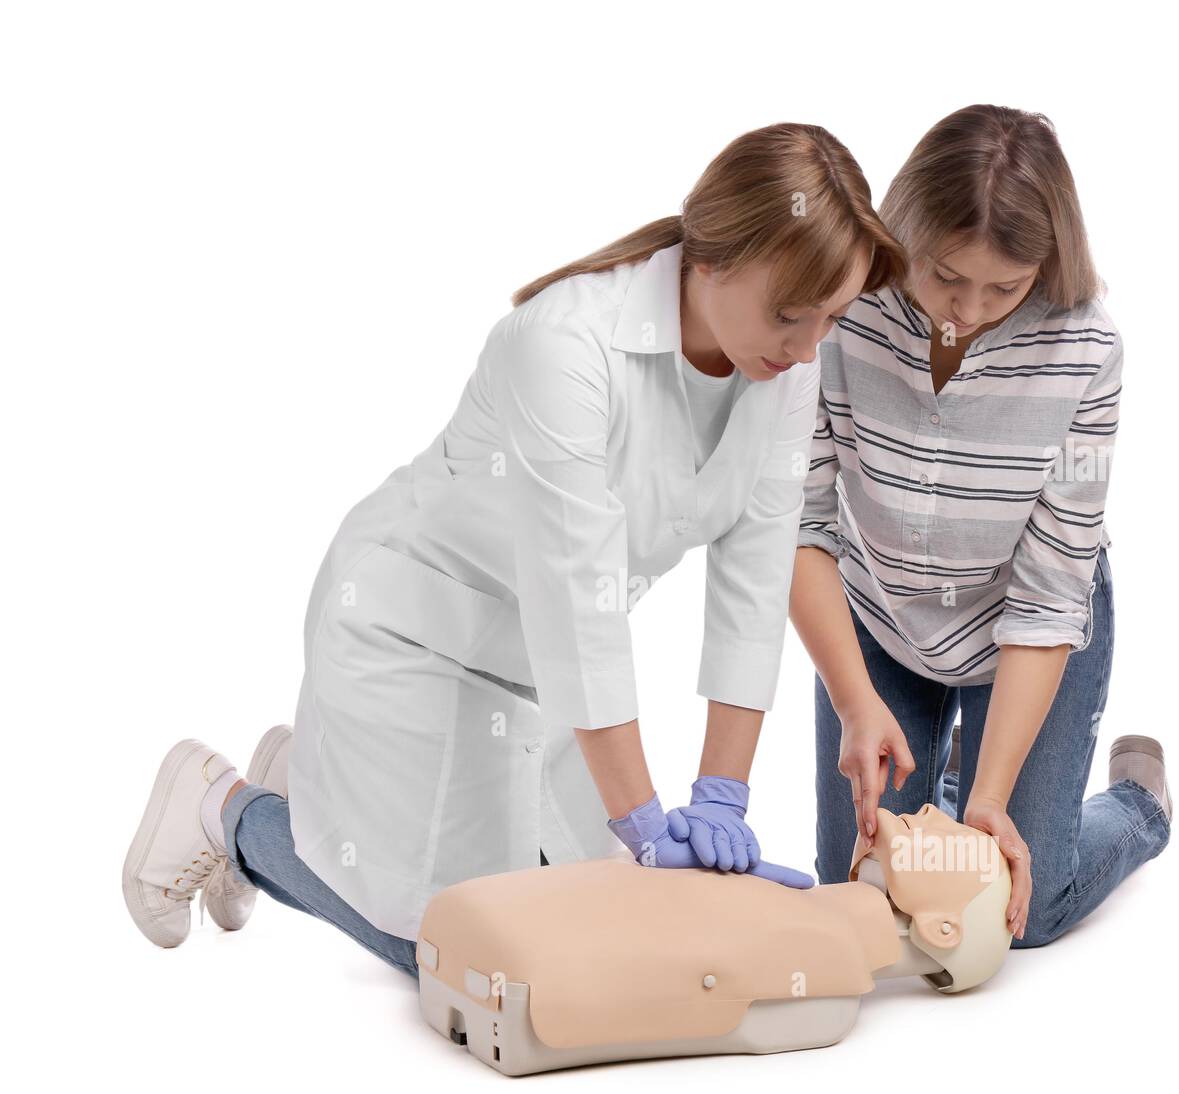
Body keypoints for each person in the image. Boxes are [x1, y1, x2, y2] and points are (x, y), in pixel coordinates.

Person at [122, 122, 908, 979]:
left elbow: (755, 581)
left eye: (833, 318)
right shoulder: (565, 345)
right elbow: (582, 603)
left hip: (537, 675)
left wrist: (722, 795)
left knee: (594, 938)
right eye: (792, 315)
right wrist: (645, 826)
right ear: (711, 258)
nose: (806, 349)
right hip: (410, 635)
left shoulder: (783, 372)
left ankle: (312, 787)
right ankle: (227, 810)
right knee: (454, 956)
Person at [789, 105, 1172, 948]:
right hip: (882, 616)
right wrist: (855, 704)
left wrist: (992, 802)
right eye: (946, 276)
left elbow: (1049, 591)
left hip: (1025, 630)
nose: (969, 308)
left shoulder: (1087, 349)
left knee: (1020, 913)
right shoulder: (843, 310)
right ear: (907, 235)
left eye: (1005, 287)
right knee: (862, 890)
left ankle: (1138, 805)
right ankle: (953, 770)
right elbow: (801, 523)